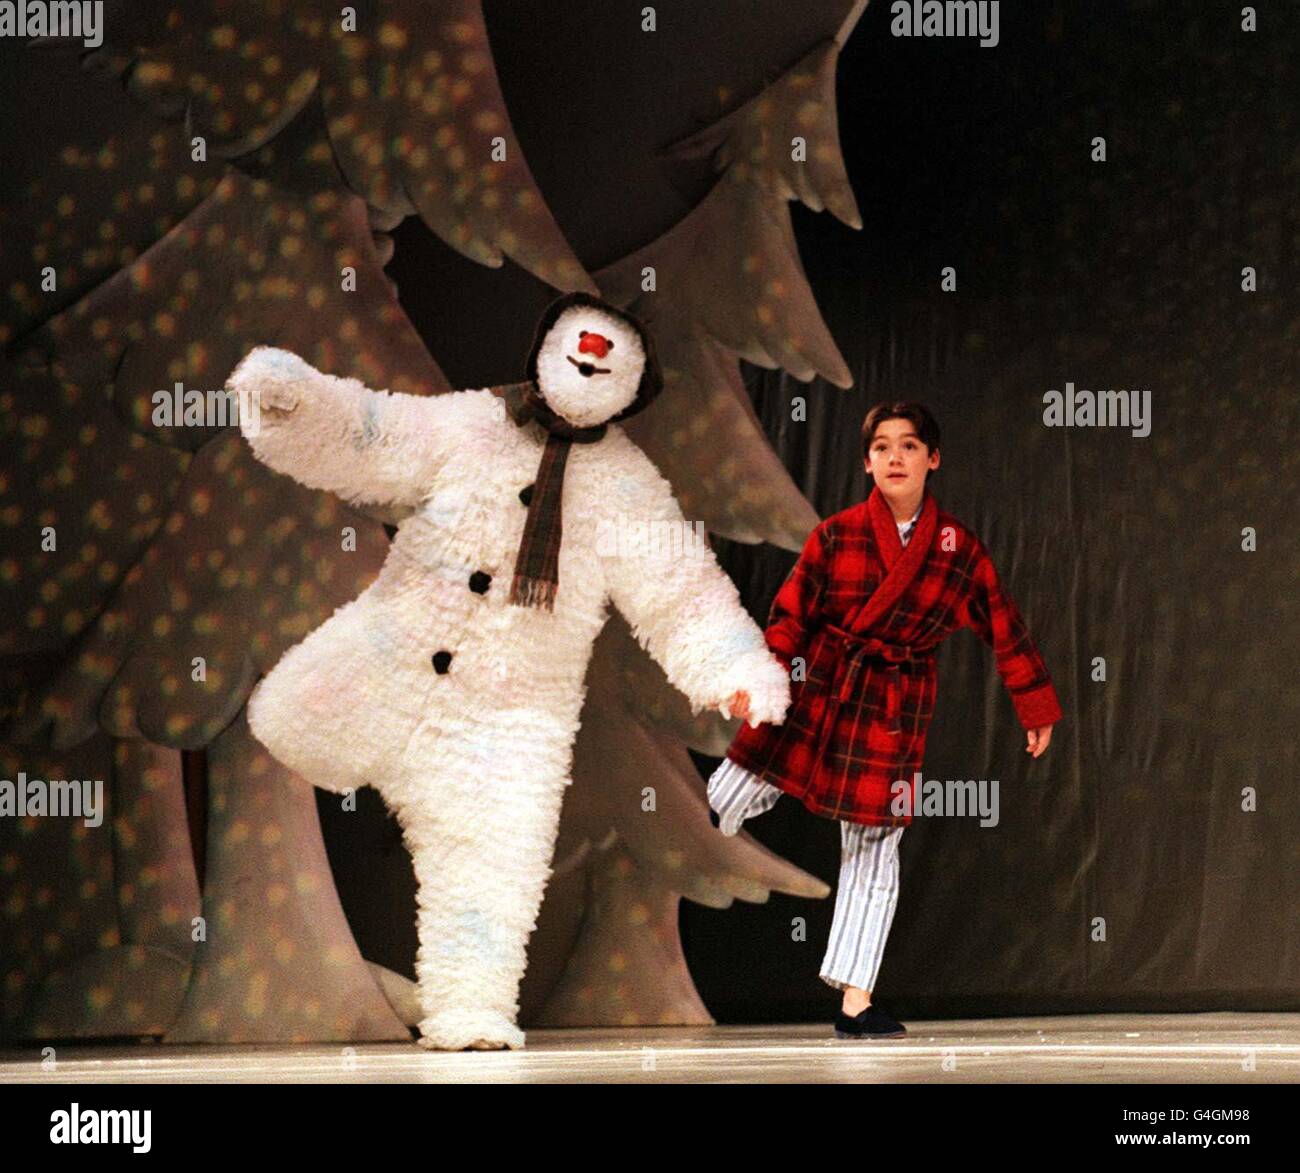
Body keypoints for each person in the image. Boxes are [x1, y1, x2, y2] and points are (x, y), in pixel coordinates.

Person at [707, 401, 1062, 1039]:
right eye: (882, 448)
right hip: (815, 686)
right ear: (867, 462)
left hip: (892, 708)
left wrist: (1032, 704)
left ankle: (856, 999)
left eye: (908, 446)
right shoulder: (836, 534)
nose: (895, 458)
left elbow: (1001, 623)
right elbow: (788, 614)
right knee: (727, 793)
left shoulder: (956, 548)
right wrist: (757, 679)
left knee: (875, 843)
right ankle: (699, 844)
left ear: (933, 458)